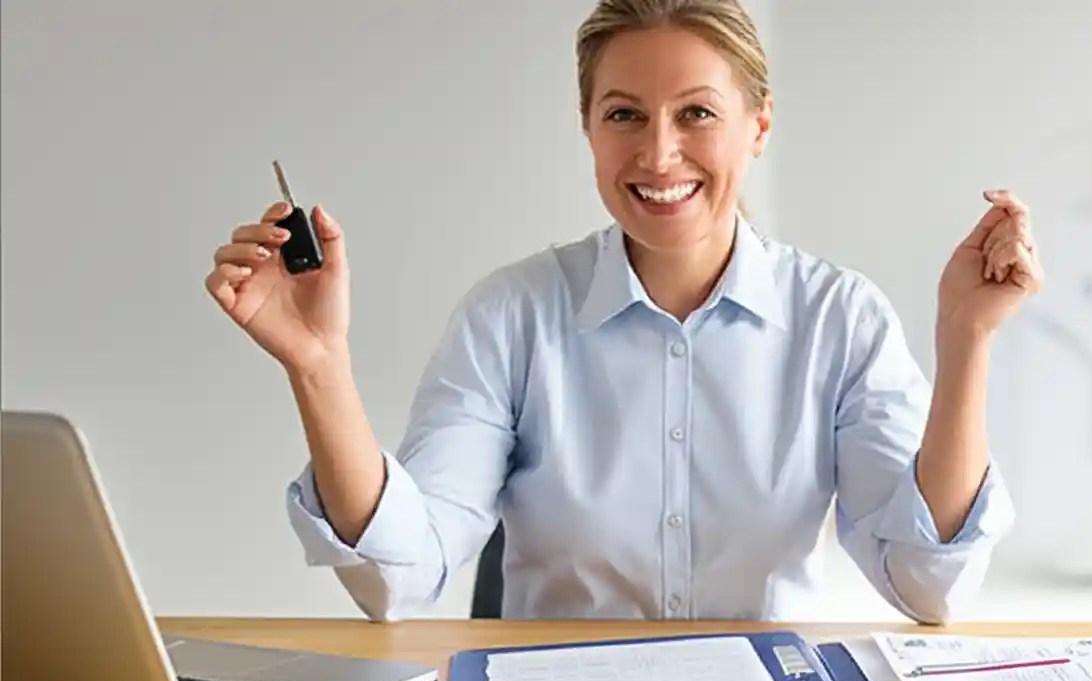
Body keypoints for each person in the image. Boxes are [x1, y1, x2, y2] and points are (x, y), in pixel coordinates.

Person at [205, 0, 1043, 624]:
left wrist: (965, 341)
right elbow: (399, 578)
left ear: (759, 125)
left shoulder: (838, 317)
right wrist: (318, 366)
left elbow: (929, 587)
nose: (657, 153)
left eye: (697, 114)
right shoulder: (514, 314)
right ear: (588, 126)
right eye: (624, 116)